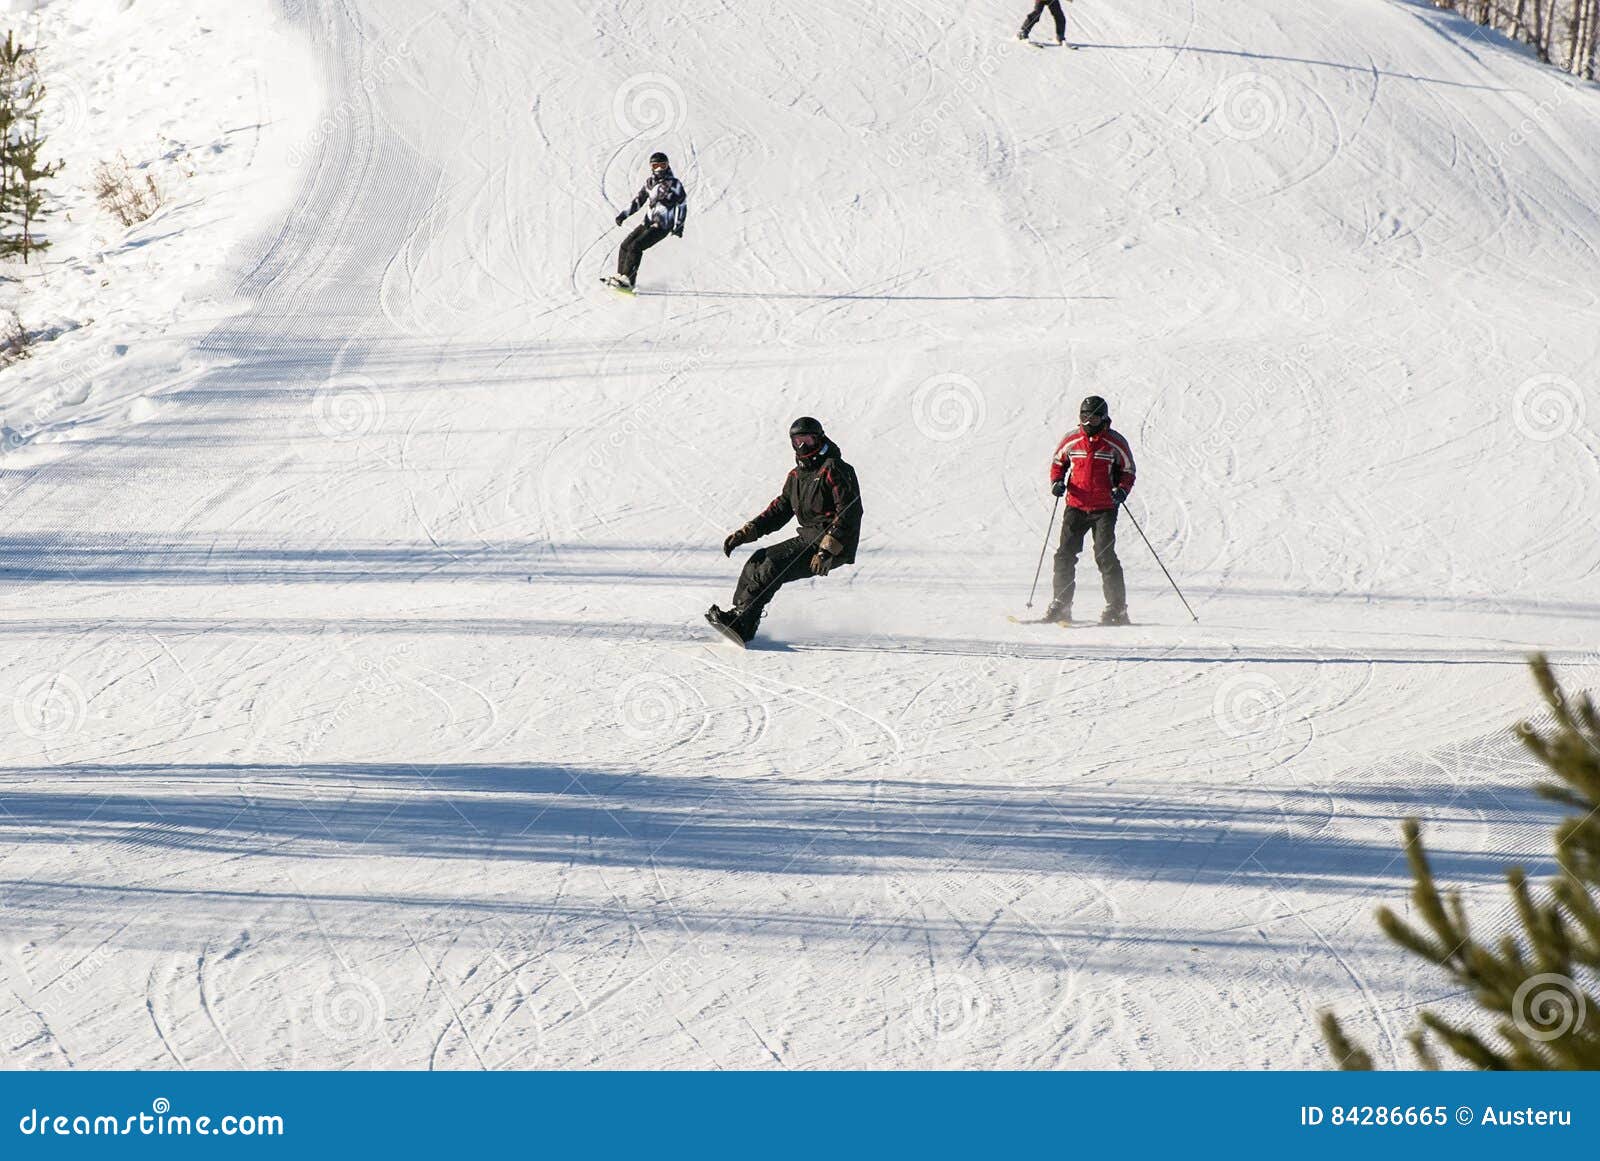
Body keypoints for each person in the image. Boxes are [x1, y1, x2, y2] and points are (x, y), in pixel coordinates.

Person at [708, 417, 863, 644]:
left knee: (773, 565)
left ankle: (744, 622)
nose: (803, 447)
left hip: (832, 543)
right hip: (811, 538)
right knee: (759, 560)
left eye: (808, 440)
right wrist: (747, 532)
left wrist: (828, 549)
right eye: (797, 441)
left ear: (819, 438)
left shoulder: (835, 469)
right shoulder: (796, 476)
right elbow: (780, 509)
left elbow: (850, 511)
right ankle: (741, 615)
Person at [1045, 395, 1136, 625]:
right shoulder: (1072, 439)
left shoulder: (1115, 442)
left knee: (1104, 555)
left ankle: (1117, 609)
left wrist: (1122, 490)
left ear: (1103, 418)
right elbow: (1058, 462)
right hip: (1075, 505)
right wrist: (1057, 482)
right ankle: (1061, 604)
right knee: (1065, 555)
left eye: (1094, 417)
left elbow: (1128, 470)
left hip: (1104, 508)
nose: (1088, 422)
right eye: (1084, 417)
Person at [606, 152, 687, 291]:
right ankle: (621, 276)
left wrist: (679, 226)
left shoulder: (674, 184)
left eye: (663, 165)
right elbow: (638, 201)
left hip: (662, 226)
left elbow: (682, 204)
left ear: (667, 165)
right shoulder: (649, 183)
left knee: (636, 246)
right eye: (656, 166)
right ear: (651, 167)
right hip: (647, 223)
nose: (660, 169)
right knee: (625, 245)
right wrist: (623, 215)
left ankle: (628, 280)